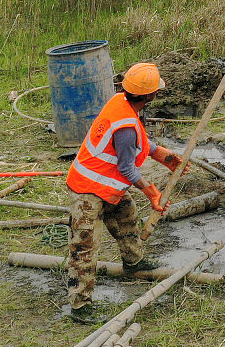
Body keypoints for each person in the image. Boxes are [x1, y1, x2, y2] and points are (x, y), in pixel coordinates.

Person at [65, 63, 182, 324]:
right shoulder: (126, 124)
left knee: (127, 217)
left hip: (107, 187)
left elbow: (139, 140)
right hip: (87, 192)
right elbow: (127, 168)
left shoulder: (122, 103)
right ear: (150, 96)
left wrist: (162, 155)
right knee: (84, 248)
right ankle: (80, 306)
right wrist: (152, 192)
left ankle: (134, 262)